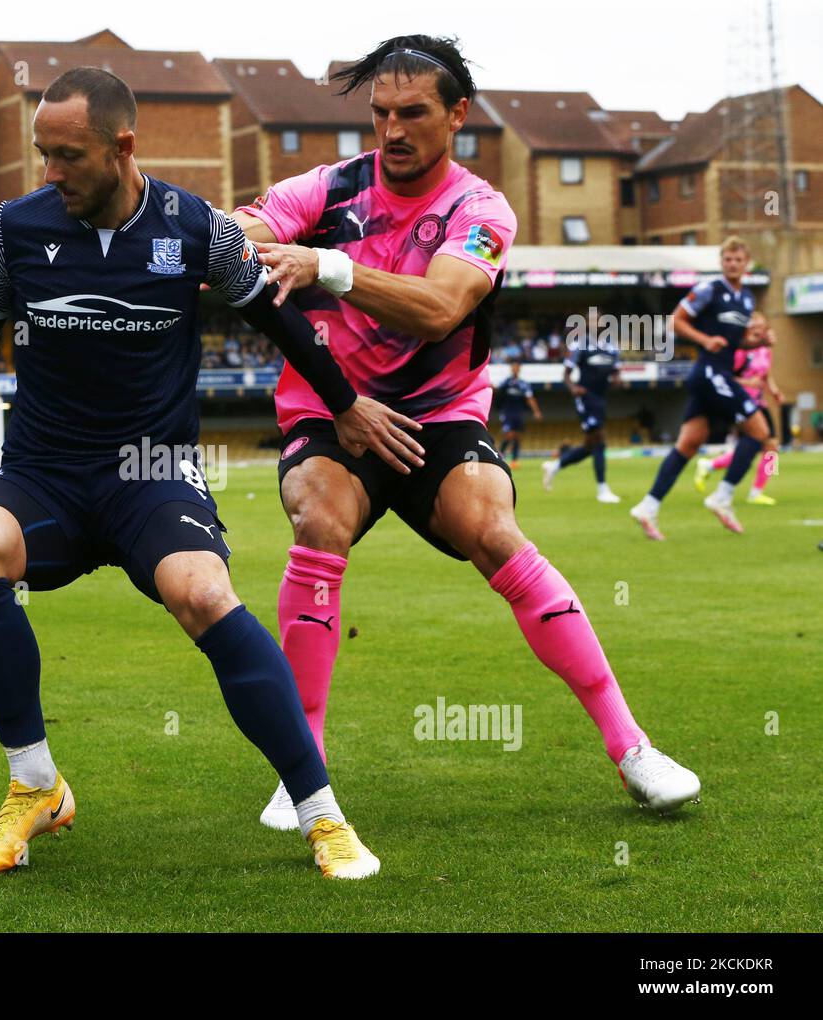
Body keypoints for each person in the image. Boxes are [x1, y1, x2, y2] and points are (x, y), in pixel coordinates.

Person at [0, 67, 420, 880]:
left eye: (68, 155)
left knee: (205, 593)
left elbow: (278, 320)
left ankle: (323, 817)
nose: (51, 172)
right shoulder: (13, 228)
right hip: (43, 473)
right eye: (42, 153)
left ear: (122, 148)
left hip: (154, 475)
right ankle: (34, 784)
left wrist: (347, 405)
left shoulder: (198, 229)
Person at [233, 34, 700, 828]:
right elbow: (241, 234)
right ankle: (302, 768)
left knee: (491, 525)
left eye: (412, 113)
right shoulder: (325, 186)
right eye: (379, 114)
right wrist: (234, 230)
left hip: (439, 416)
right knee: (319, 512)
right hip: (333, 409)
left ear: (458, 115)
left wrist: (326, 268)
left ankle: (632, 749)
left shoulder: (479, 210)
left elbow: (442, 306)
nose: (391, 131)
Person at [630, 237, 773, 538]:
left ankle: (648, 506)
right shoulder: (709, 290)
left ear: (746, 263)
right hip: (709, 372)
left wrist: (757, 342)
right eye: (727, 259)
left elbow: (735, 342)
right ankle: (722, 497)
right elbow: (676, 321)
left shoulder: (746, 298)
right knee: (760, 434)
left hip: (717, 374)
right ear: (721, 262)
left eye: (738, 259)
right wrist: (705, 340)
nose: (732, 264)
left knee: (688, 445)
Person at [694, 312, 782, 505]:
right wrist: (747, 382)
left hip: (759, 403)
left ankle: (714, 468)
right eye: (754, 326)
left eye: (761, 327)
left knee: (770, 447)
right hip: (740, 402)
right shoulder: (741, 351)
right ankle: (715, 469)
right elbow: (726, 377)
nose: (758, 330)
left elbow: (766, 375)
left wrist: (774, 391)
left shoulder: (765, 350)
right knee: (758, 445)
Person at [542, 331, 622, 503]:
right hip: (585, 398)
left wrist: (616, 379)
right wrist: (573, 388)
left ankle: (555, 465)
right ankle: (602, 489)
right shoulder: (579, 345)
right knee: (599, 440)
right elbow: (566, 374)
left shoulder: (612, 347)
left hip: (600, 399)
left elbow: (616, 372)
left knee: (590, 446)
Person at [493, 358, 541, 468]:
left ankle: (514, 460)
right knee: (509, 435)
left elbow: (530, 398)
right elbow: (498, 391)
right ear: (511, 369)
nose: (515, 369)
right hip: (507, 412)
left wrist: (536, 411)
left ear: (519, 369)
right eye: (513, 367)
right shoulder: (506, 382)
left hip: (518, 413)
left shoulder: (523, 384)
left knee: (517, 437)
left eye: (517, 367)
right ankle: (499, 456)